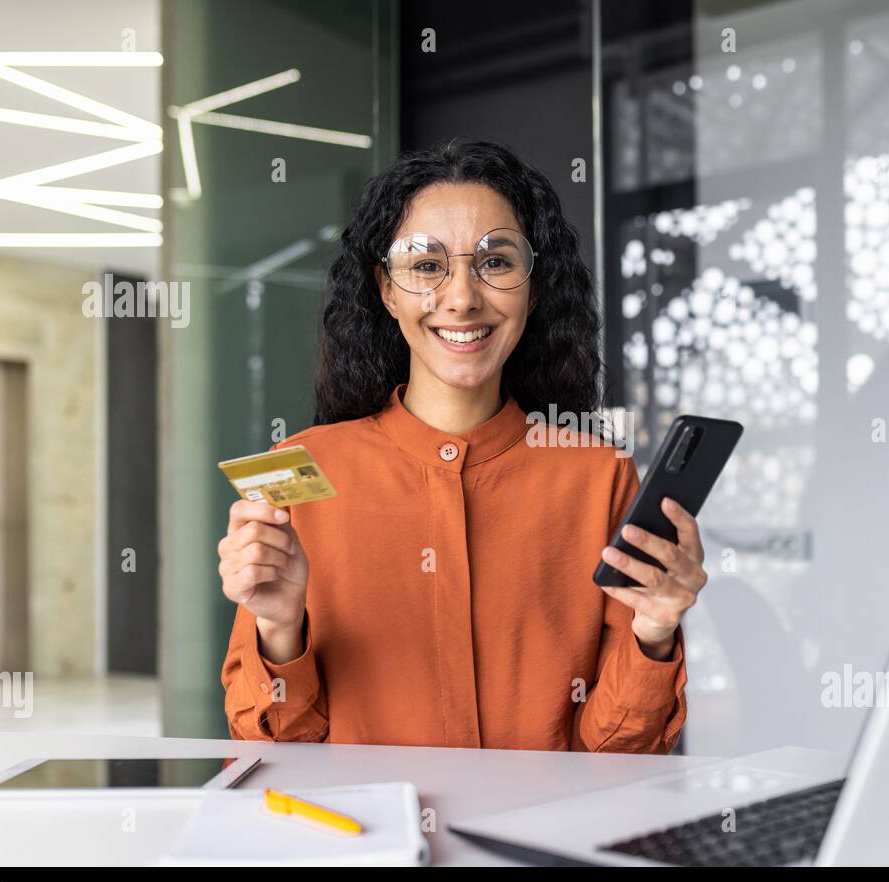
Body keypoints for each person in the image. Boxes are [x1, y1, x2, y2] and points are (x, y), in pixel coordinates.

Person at [218, 140, 705, 753]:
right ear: (388, 290)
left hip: (533, 844)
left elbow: (616, 757)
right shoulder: (297, 470)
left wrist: (655, 629)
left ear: (532, 287)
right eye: (426, 266)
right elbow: (274, 747)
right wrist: (279, 626)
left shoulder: (598, 477)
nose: (462, 297)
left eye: (496, 263)